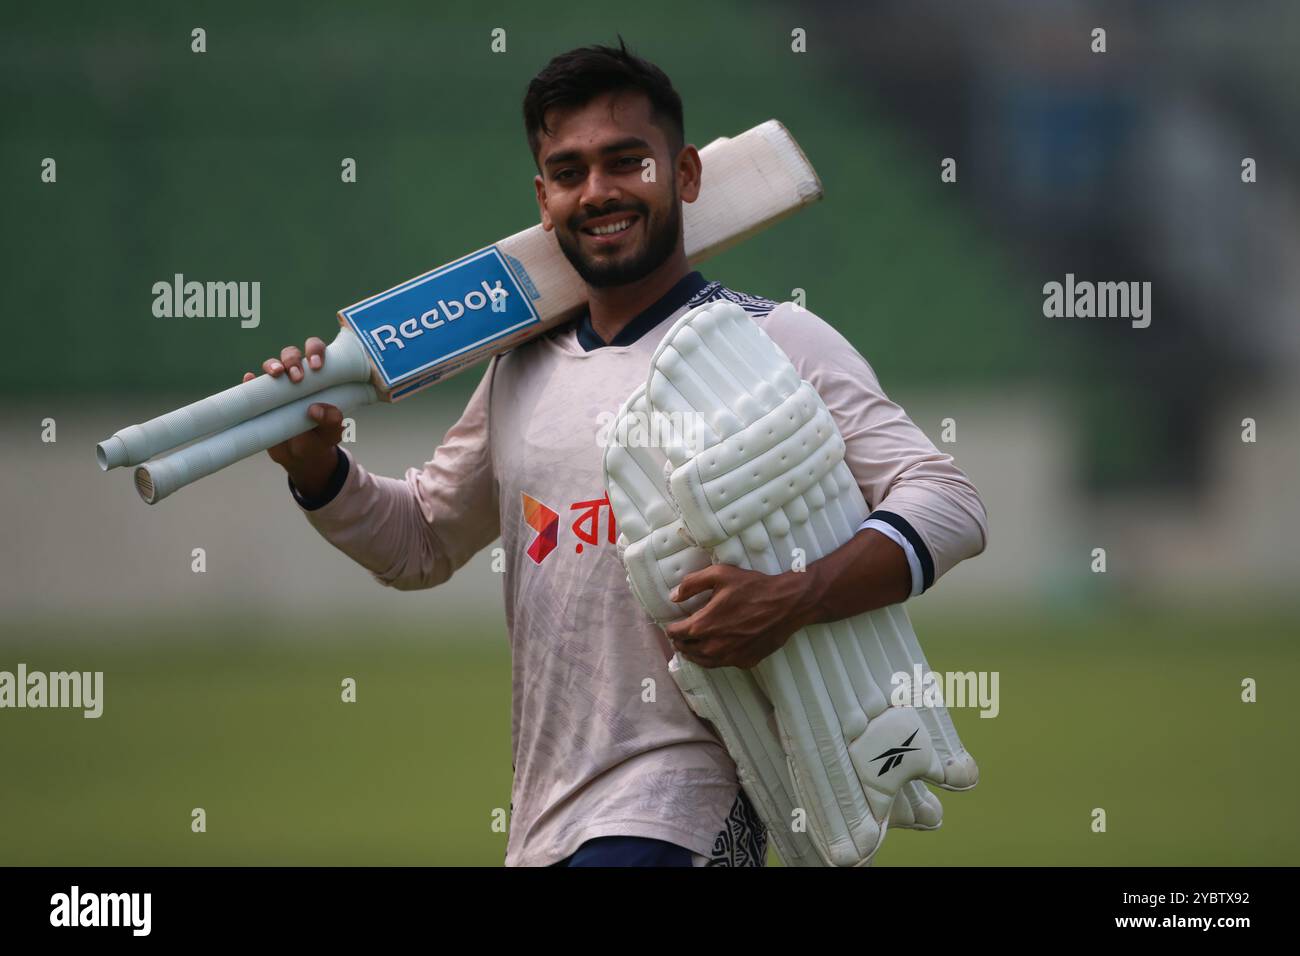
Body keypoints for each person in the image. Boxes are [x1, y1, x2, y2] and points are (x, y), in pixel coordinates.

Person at [243, 39, 988, 867]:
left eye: (626, 161)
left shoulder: (773, 340)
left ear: (687, 175)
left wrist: (797, 595)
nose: (597, 192)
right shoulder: (518, 367)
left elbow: (945, 501)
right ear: (543, 197)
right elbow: (420, 540)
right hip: (546, 812)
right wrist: (315, 468)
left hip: (692, 802)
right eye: (569, 173)